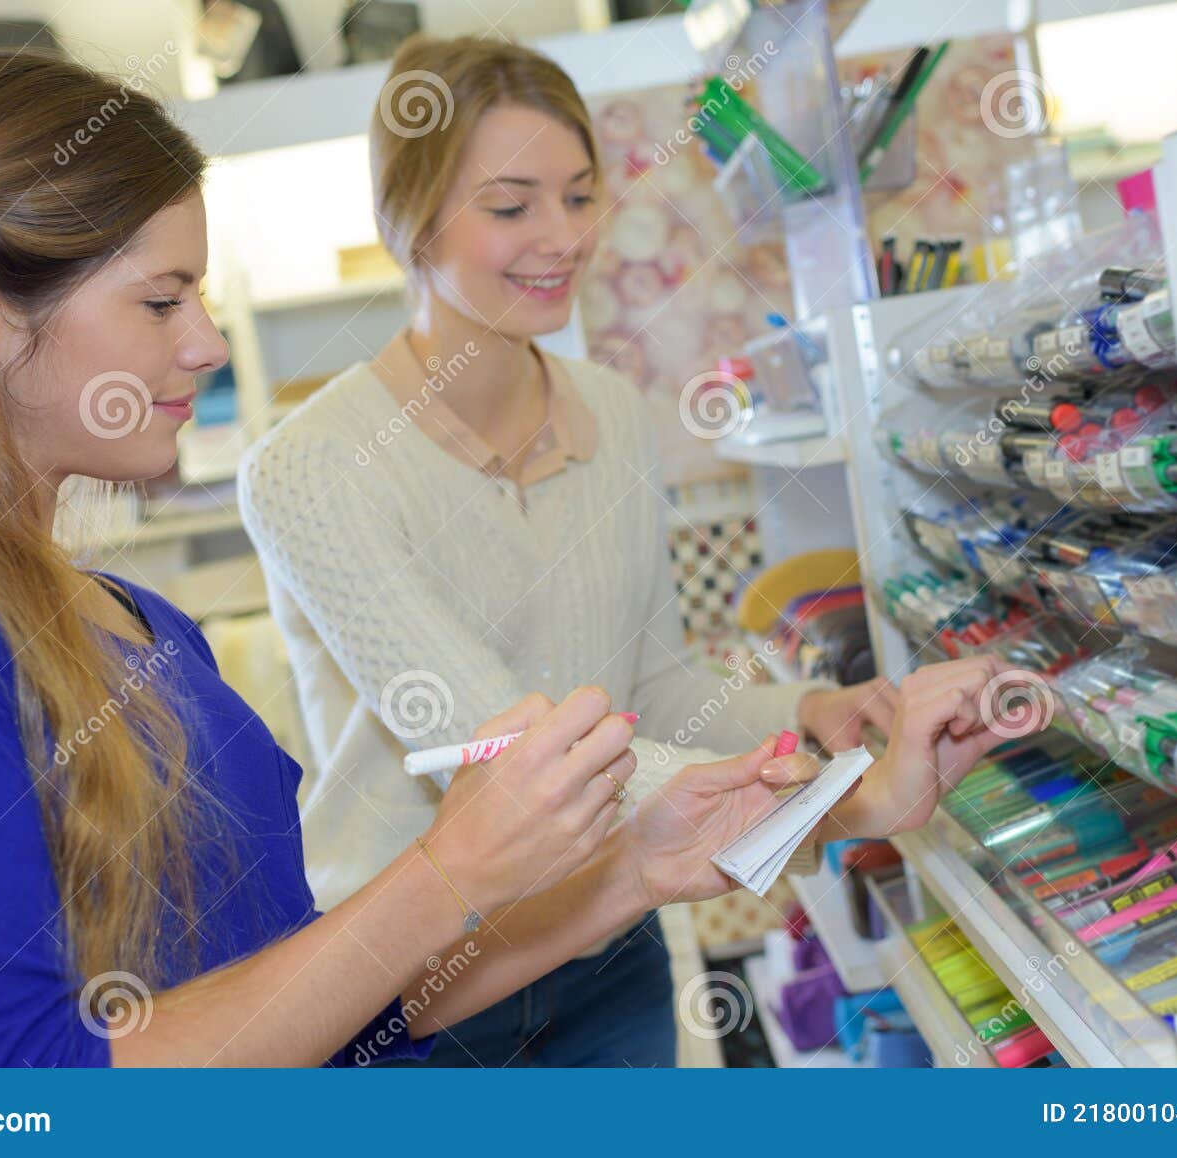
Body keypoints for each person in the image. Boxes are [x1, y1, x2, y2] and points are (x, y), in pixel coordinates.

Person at [0, 50, 1011, 1069]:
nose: (203, 344)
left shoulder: (127, 620)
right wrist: (454, 868)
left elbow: (326, 1012)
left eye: (579, 196)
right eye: (161, 302)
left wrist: (643, 860)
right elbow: (7, 1099)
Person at [237, 34, 899, 1068]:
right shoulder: (310, 468)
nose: (561, 237)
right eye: (510, 206)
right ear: (403, 218)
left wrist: (810, 722)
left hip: (608, 944)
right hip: (412, 985)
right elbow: (510, 754)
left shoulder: (615, 412)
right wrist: (832, 796)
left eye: (579, 196)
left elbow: (657, 690)